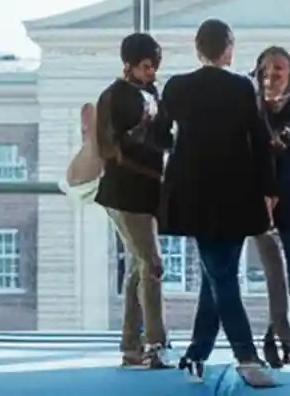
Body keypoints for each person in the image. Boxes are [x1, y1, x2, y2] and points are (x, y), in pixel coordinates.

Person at [158, 19, 278, 388]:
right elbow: (260, 139)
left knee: (217, 275)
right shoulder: (241, 86)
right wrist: (269, 189)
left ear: (198, 49)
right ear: (228, 49)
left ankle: (196, 354)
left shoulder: (176, 86)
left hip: (193, 193)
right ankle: (246, 355)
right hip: (236, 193)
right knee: (222, 275)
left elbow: (159, 136)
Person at [93, 33, 168, 369]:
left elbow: (160, 137)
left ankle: (132, 345)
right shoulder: (113, 97)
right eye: (147, 66)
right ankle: (154, 344)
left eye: (154, 66)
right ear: (130, 65)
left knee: (140, 267)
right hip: (126, 192)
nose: (152, 72)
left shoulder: (149, 92)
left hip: (144, 191)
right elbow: (113, 149)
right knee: (151, 265)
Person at [250, 46, 290, 369]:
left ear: (289, 76)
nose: (271, 74)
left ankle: (277, 337)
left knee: (285, 270)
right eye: (266, 68)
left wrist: (283, 147)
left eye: (279, 69)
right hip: (251, 199)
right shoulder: (249, 109)